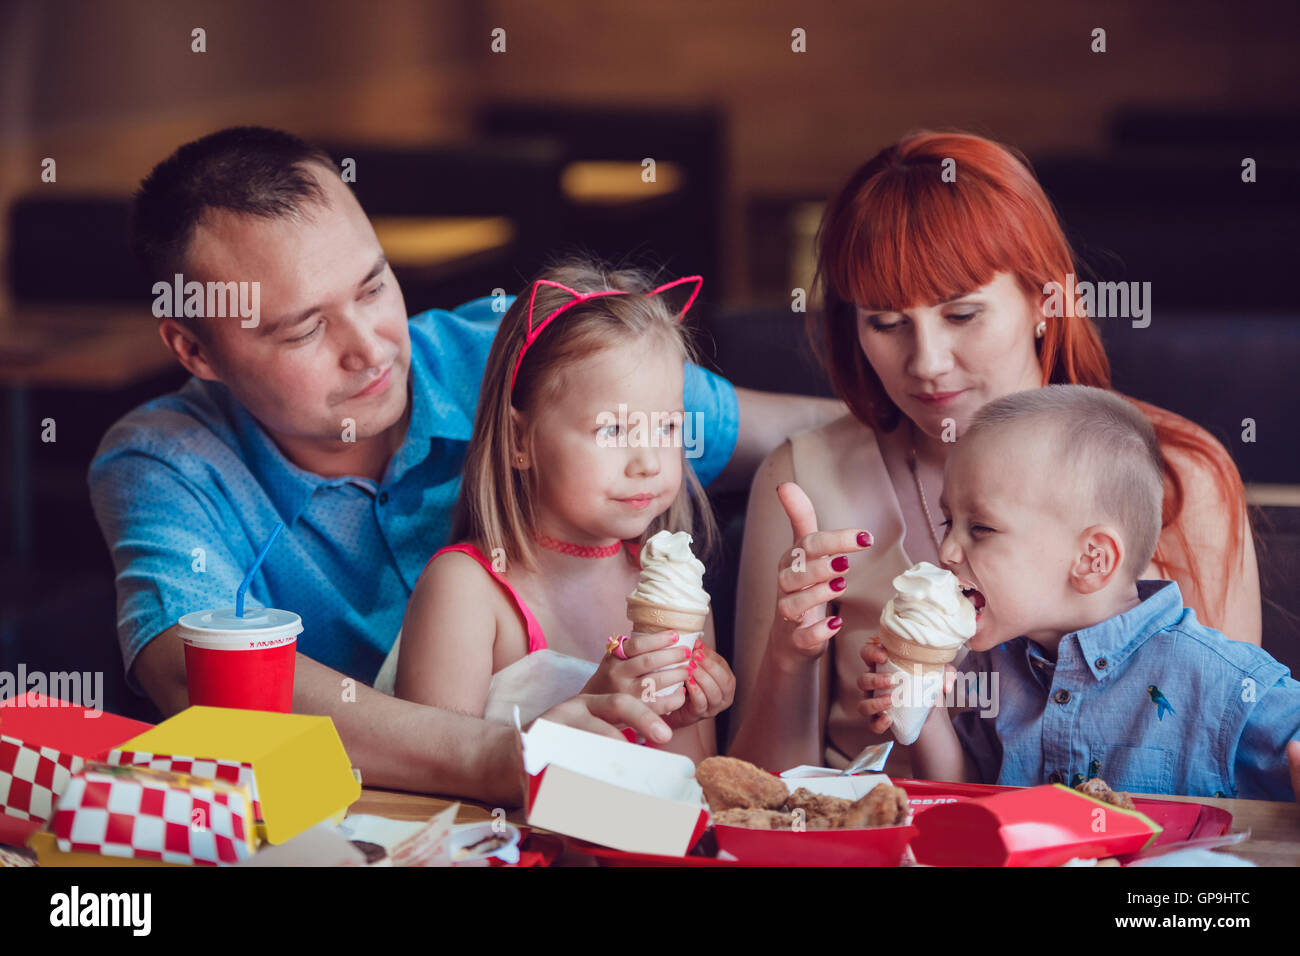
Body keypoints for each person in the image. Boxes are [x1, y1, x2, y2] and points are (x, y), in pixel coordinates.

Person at [88, 126, 840, 803]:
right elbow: (194, 672)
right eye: (305, 328)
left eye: (374, 285)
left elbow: (816, 429)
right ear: (194, 348)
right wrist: (514, 755)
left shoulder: (515, 352)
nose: (372, 346)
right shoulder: (166, 460)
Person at [729, 130, 1261, 777]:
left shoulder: (1178, 475)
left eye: (962, 315)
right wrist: (791, 655)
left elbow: (1225, 760)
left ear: (1044, 301)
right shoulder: (803, 480)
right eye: (885, 322)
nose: (925, 363)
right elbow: (759, 794)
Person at [858, 385, 1299, 801]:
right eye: (946, 523)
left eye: (980, 528)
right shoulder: (991, 668)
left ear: (1092, 559)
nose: (948, 549)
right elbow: (964, 796)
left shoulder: (1217, 678)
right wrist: (928, 713)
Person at [380, 260, 735, 761]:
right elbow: (435, 788)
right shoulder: (467, 591)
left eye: (668, 428)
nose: (648, 463)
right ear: (520, 438)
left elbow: (685, 792)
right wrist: (586, 713)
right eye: (612, 430)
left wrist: (679, 720)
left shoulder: (680, 596)